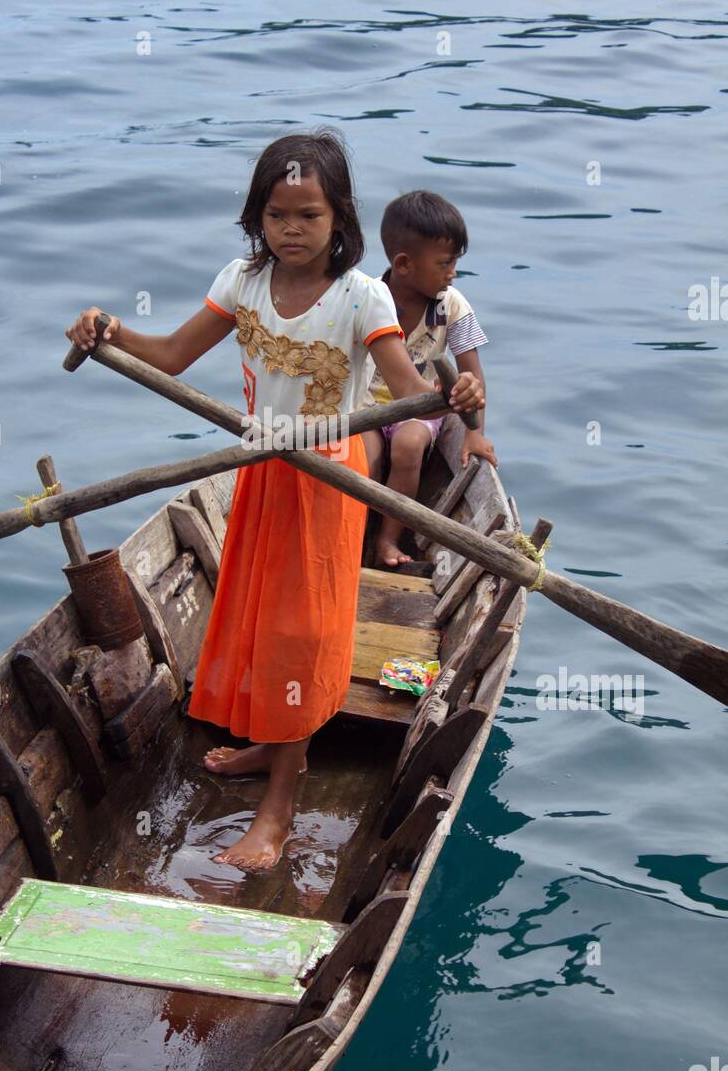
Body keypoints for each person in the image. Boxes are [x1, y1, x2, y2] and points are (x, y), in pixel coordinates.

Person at [65, 130, 485, 872]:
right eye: (276, 214)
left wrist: (459, 396)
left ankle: (280, 809)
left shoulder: (364, 297)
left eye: (309, 216)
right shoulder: (242, 282)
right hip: (259, 468)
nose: (292, 230)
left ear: (340, 221)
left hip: (329, 481)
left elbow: (410, 393)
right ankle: (270, 743)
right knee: (261, 615)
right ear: (257, 219)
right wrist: (109, 331)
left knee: (300, 632)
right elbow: (167, 355)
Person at [361, 190, 498, 568]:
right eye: (444, 263)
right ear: (404, 264)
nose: (452, 273)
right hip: (364, 407)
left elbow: (471, 374)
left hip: (421, 409)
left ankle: (387, 540)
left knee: (408, 447)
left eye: (455, 262)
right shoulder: (368, 299)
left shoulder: (451, 304)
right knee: (364, 460)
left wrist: (474, 432)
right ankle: (353, 538)